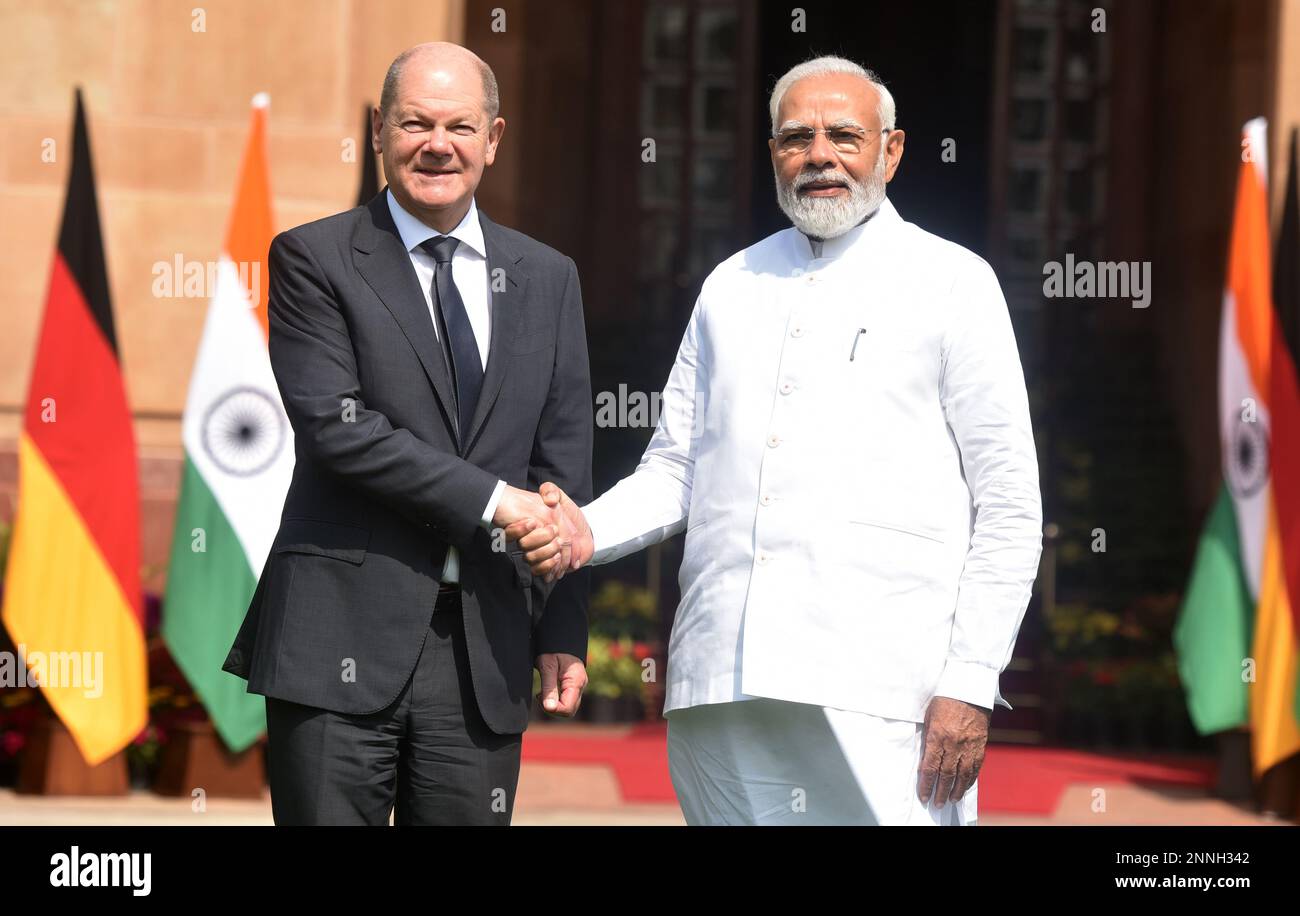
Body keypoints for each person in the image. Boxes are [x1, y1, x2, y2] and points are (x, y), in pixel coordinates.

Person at [513, 56, 1043, 825]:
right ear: (772, 154)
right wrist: (586, 529)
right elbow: (675, 470)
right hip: (720, 682)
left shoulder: (953, 281)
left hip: (882, 690)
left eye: (844, 135)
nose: (819, 154)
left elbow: (1009, 504)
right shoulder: (732, 284)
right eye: (796, 137)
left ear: (891, 152)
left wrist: (968, 679)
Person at [222, 42, 590, 825]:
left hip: (483, 653)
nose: (438, 144)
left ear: (493, 139)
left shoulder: (548, 277)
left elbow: (562, 471)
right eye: (415, 122)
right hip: (336, 643)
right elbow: (338, 429)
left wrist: (563, 624)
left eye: (461, 125)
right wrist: (498, 502)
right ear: (380, 132)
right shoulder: (314, 259)